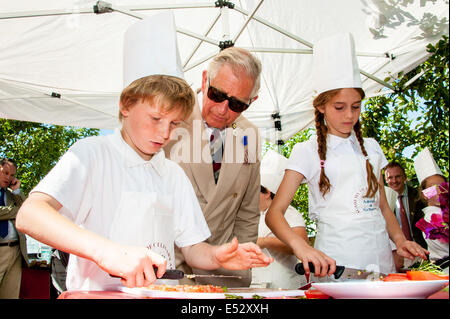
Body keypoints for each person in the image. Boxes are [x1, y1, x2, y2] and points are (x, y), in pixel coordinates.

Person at [15, 15, 271, 292]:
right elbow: (30, 214)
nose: (166, 134)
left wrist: (217, 255)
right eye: (155, 119)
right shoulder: (93, 154)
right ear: (126, 105)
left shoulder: (172, 174)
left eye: (174, 124)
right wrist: (105, 252)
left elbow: (193, 248)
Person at [265, 33, 428, 278]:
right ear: (321, 107)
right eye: (339, 107)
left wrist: (399, 239)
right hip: (336, 264)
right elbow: (274, 214)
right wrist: (302, 247)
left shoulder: (371, 147)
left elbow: (382, 206)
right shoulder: (306, 151)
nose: (350, 116)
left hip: (380, 259)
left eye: (356, 106)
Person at [164, 46, 262, 287]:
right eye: (217, 95)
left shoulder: (250, 135)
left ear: (252, 101)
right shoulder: (169, 119)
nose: (222, 110)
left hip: (224, 273)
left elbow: (248, 214)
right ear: (205, 79)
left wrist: (243, 264)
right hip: (172, 268)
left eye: (237, 104)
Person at [251, 150, 308, 289]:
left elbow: (303, 243)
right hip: (257, 283)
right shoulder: (254, 215)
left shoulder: (289, 213)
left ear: (267, 193)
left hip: (283, 284)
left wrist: (264, 242)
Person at [384, 161, 427, 270]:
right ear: (385, 180)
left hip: (420, 251)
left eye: (397, 176)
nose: (394, 181)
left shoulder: (418, 196)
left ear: (404, 177)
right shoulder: (383, 201)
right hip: (398, 255)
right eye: (390, 178)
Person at [414, 147, 448, 272]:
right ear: (424, 194)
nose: (440, 192)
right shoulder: (431, 217)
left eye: (442, 186)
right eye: (433, 188)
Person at [0, 158, 28, 298]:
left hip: (15, 251)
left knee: (10, 294)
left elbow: (27, 210)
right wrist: (16, 211)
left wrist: (17, 191)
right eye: (5, 173)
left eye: (12, 175)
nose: (8, 177)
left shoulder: (11, 195)